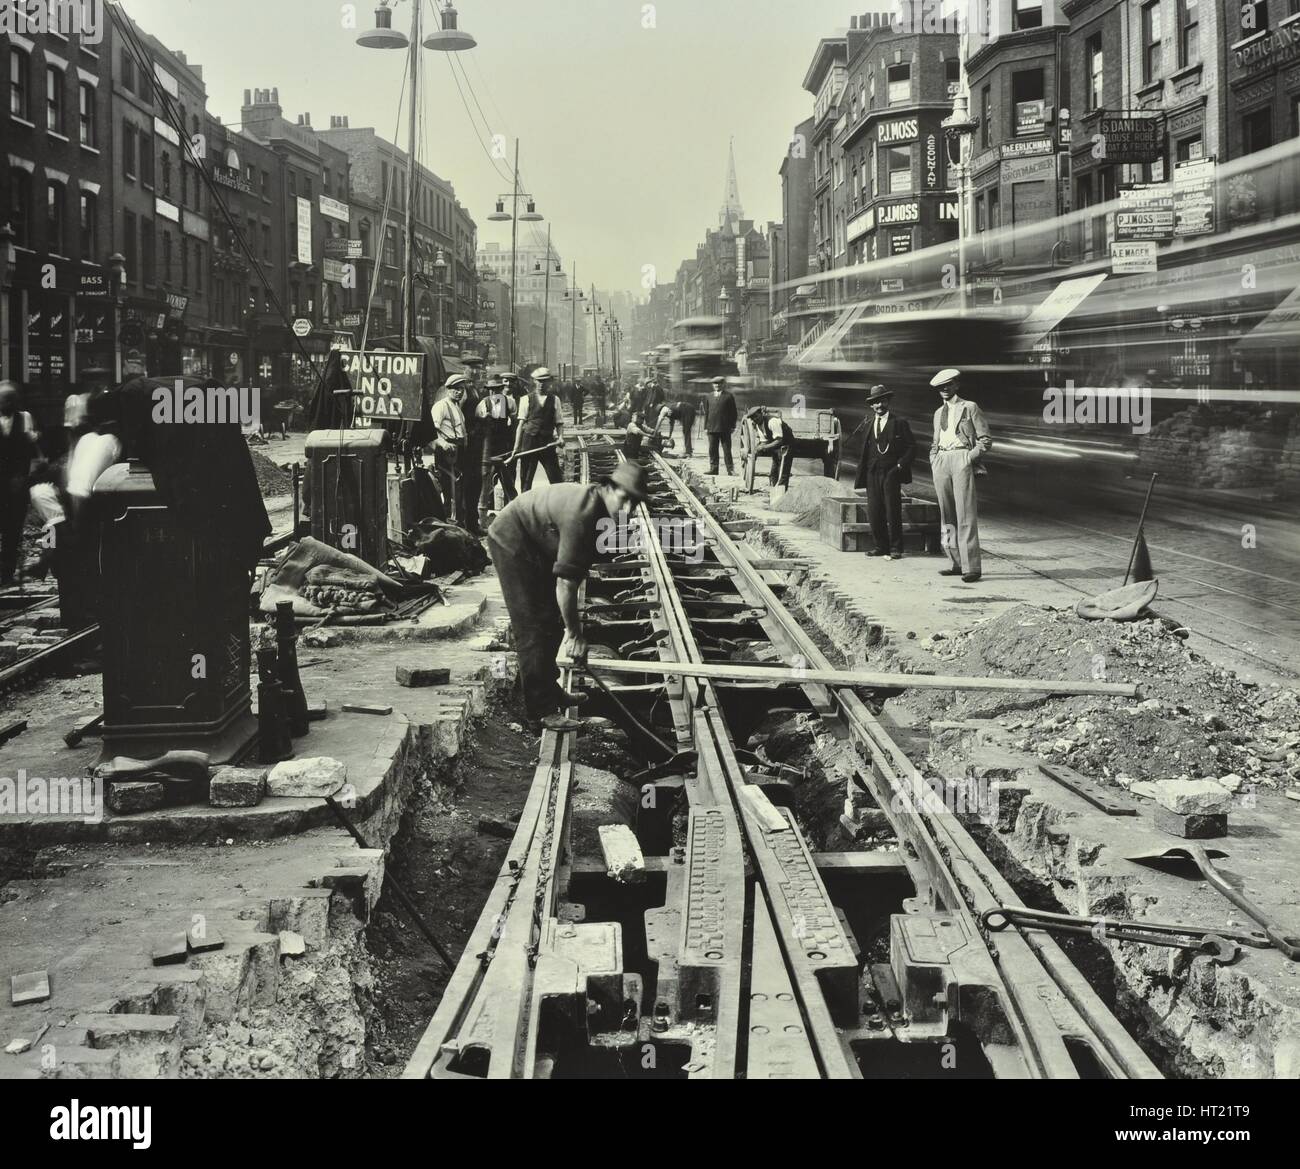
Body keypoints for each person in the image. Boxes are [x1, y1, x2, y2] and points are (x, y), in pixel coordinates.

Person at [486, 461, 648, 732]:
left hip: (538, 543)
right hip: (512, 539)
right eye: (624, 500)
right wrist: (575, 634)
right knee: (533, 624)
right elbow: (566, 584)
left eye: (635, 504)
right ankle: (541, 711)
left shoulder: (601, 509)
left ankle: (550, 689)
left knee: (551, 619)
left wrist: (570, 626)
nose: (628, 510)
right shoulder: (582, 515)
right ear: (608, 488)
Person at [928, 368, 992, 584]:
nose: (944, 390)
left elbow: (985, 440)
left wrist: (968, 457)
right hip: (942, 462)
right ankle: (955, 562)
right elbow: (935, 441)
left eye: (948, 385)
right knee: (946, 516)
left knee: (965, 514)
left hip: (961, 459)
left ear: (956, 385)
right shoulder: (938, 413)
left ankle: (971, 567)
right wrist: (934, 458)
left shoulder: (970, 407)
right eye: (940, 387)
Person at [854, 385, 916, 560]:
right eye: (875, 403)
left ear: (888, 401)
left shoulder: (899, 423)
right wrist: (864, 472)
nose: (879, 405)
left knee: (892, 511)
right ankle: (880, 546)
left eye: (882, 401)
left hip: (891, 473)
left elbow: (912, 447)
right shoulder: (868, 424)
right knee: (874, 512)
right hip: (872, 473)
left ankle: (896, 548)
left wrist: (899, 467)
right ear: (871, 406)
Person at [0, 382, 41, 586]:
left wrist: (24, 476)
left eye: (9, 399)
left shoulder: (24, 418)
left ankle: (7, 572)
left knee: (13, 529)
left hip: (17, 483)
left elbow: (32, 449)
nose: (6, 403)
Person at [513, 367, 566, 491]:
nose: (541, 384)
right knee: (526, 479)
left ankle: (560, 505)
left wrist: (561, 437)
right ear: (534, 382)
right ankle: (525, 507)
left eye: (544, 381)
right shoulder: (526, 399)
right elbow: (520, 425)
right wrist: (516, 447)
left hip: (547, 442)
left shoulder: (555, 400)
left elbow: (559, 422)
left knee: (556, 478)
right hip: (529, 441)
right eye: (539, 381)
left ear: (549, 382)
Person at [476, 374, 518, 526]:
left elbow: (513, 425)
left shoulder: (510, 402)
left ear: (501, 389)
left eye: (497, 390)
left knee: (508, 480)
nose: (494, 393)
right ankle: (482, 519)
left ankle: (512, 515)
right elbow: (477, 428)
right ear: (488, 391)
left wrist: (513, 447)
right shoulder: (483, 404)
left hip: (505, 447)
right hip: (488, 448)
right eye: (491, 390)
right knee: (485, 482)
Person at [430, 374, 470, 528]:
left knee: (458, 488)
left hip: (458, 451)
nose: (459, 392)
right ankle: (449, 524)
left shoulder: (456, 407)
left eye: (461, 389)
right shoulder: (441, 406)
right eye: (455, 389)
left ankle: (458, 524)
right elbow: (433, 431)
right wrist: (443, 443)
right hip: (447, 453)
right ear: (448, 389)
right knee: (449, 489)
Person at [749, 406, 795, 494]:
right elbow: (764, 441)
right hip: (776, 447)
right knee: (774, 474)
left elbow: (779, 440)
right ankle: (775, 492)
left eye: (756, 416)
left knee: (783, 472)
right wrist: (757, 449)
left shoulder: (772, 421)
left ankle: (782, 495)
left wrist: (764, 447)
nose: (755, 419)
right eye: (753, 418)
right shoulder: (758, 425)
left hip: (787, 444)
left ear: (761, 414)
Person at [705, 376, 737, 475]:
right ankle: (714, 469)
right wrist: (705, 427)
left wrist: (732, 426)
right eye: (715, 384)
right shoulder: (708, 396)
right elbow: (706, 413)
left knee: (727, 450)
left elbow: (733, 412)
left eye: (719, 384)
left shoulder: (729, 396)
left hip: (725, 428)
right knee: (712, 449)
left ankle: (730, 470)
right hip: (712, 428)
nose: (717, 386)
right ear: (712, 385)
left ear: (723, 385)